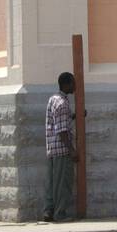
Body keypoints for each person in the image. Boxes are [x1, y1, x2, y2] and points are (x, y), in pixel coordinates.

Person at [41, 72, 78, 223]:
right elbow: (62, 131)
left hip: (52, 148)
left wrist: (75, 116)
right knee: (63, 184)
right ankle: (60, 214)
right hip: (62, 149)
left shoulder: (53, 99)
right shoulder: (62, 103)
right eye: (73, 83)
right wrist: (72, 150)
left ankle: (48, 211)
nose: (75, 86)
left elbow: (59, 121)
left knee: (52, 183)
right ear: (66, 84)